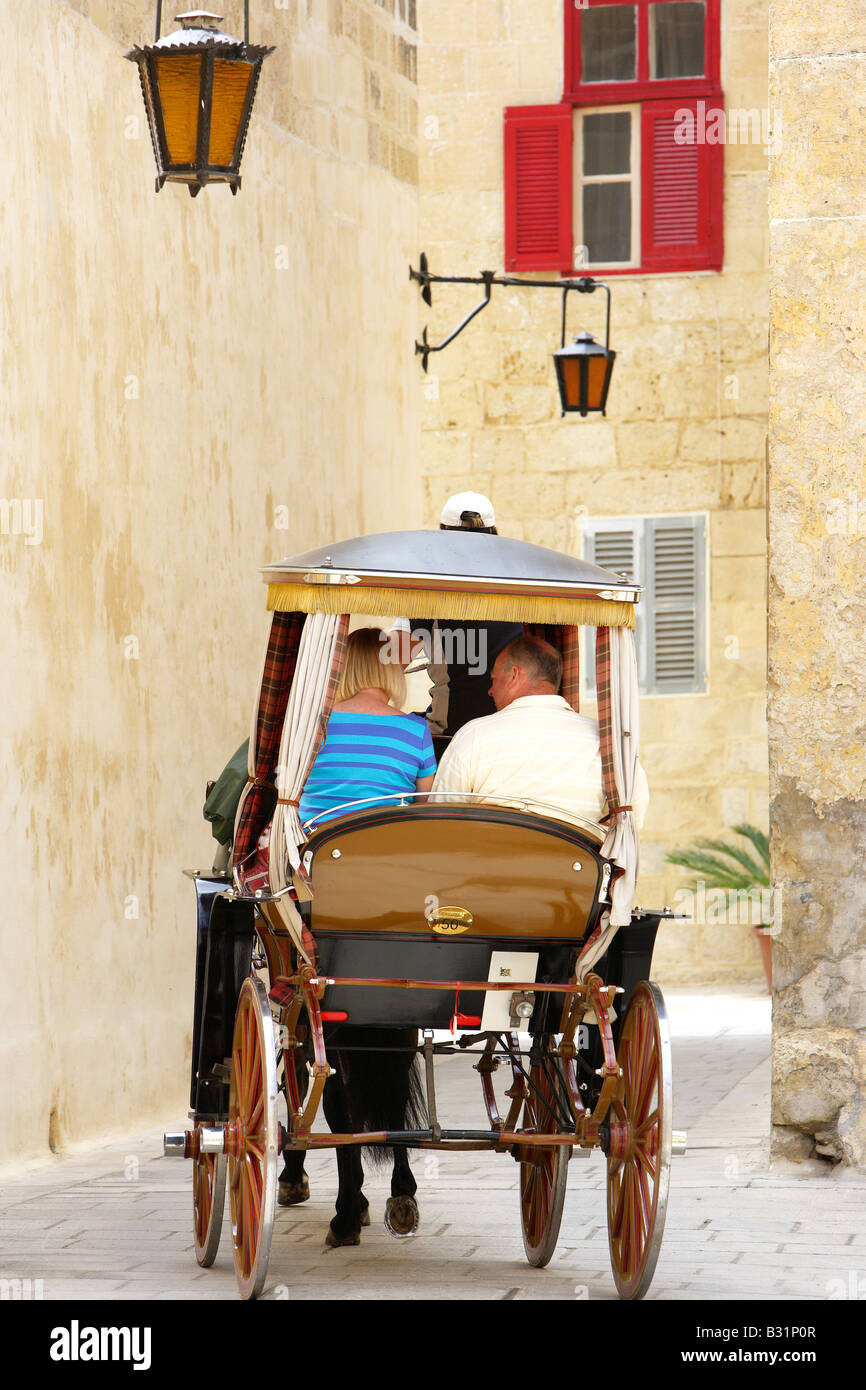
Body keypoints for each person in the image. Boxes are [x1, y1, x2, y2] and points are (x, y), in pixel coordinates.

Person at [431, 633, 649, 830]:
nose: (490, 690)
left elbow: (440, 820)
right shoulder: (604, 741)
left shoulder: (474, 735)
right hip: (575, 870)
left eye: (494, 679)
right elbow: (633, 815)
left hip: (489, 870)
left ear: (514, 675)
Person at [391, 492, 522, 760]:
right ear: (495, 533)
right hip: (512, 738)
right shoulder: (525, 586)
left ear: (442, 536)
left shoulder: (424, 595)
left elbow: (388, 667)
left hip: (449, 739)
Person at [298, 627, 436, 829]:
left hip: (316, 850)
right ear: (392, 669)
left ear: (342, 669)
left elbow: (291, 789)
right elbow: (422, 805)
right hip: (386, 851)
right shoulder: (416, 730)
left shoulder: (313, 723)